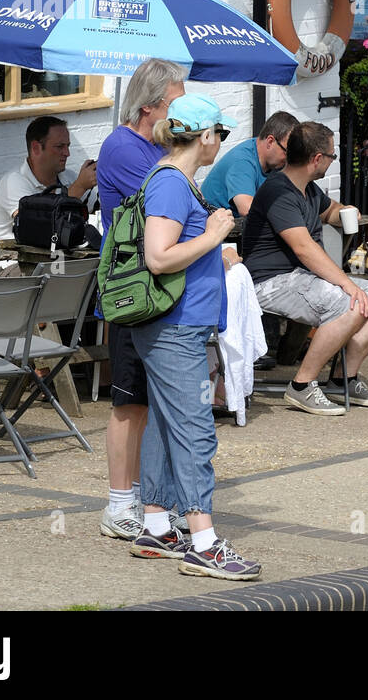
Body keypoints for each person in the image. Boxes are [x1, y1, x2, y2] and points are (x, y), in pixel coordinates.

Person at [127, 92, 259, 580]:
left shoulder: (178, 180)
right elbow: (158, 257)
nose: (221, 143)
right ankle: (203, 543)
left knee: (165, 424)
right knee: (196, 431)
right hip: (173, 327)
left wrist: (209, 245)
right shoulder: (170, 184)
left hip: (179, 323)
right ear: (205, 136)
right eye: (220, 135)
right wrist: (215, 235)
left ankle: (158, 526)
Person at [244, 122, 368, 415]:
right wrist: (347, 283)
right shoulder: (278, 192)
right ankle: (302, 385)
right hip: (270, 281)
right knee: (349, 302)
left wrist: (345, 212)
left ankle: (343, 379)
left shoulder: (308, 189)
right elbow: (303, 247)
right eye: (331, 156)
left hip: (301, 278)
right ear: (317, 159)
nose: (331, 161)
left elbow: (328, 210)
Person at [94, 58, 186, 542]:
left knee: (151, 403)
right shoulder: (124, 149)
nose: (183, 111)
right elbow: (171, 201)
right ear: (149, 107)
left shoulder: (153, 147)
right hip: (133, 292)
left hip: (156, 290)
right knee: (129, 402)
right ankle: (119, 504)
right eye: (177, 102)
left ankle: (150, 500)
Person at [0, 115, 98, 249]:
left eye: (68, 146)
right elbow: (38, 227)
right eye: (60, 146)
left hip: (58, 262)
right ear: (36, 148)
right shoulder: (13, 182)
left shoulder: (69, 177)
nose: (67, 153)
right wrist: (80, 186)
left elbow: (99, 209)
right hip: (13, 264)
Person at [200, 111, 298, 216]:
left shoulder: (272, 157)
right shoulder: (242, 162)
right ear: (270, 141)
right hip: (213, 222)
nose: (289, 159)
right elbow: (247, 209)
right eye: (287, 152)